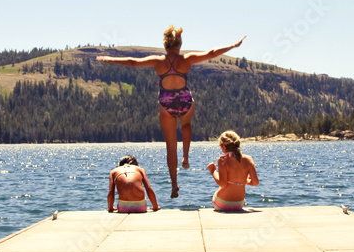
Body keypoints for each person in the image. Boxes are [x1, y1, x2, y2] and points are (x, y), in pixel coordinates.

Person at [97, 26, 245, 198]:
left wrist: (110, 59)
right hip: (184, 100)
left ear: (165, 45)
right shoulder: (187, 59)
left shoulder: (158, 61)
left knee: (170, 147)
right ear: (179, 44)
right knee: (186, 124)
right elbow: (211, 52)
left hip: (166, 103)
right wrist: (233, 45)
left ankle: (174, 184)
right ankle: (186, 158)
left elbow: (133, 62)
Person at [207, 130, 259, 211]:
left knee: (216, 193)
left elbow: (223, 184)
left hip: (222, 203)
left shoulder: (222, 159)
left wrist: (213, 171)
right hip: (239, 204)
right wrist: (244, 180)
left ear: (223, 146)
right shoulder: (248, 159)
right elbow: (255, 182)